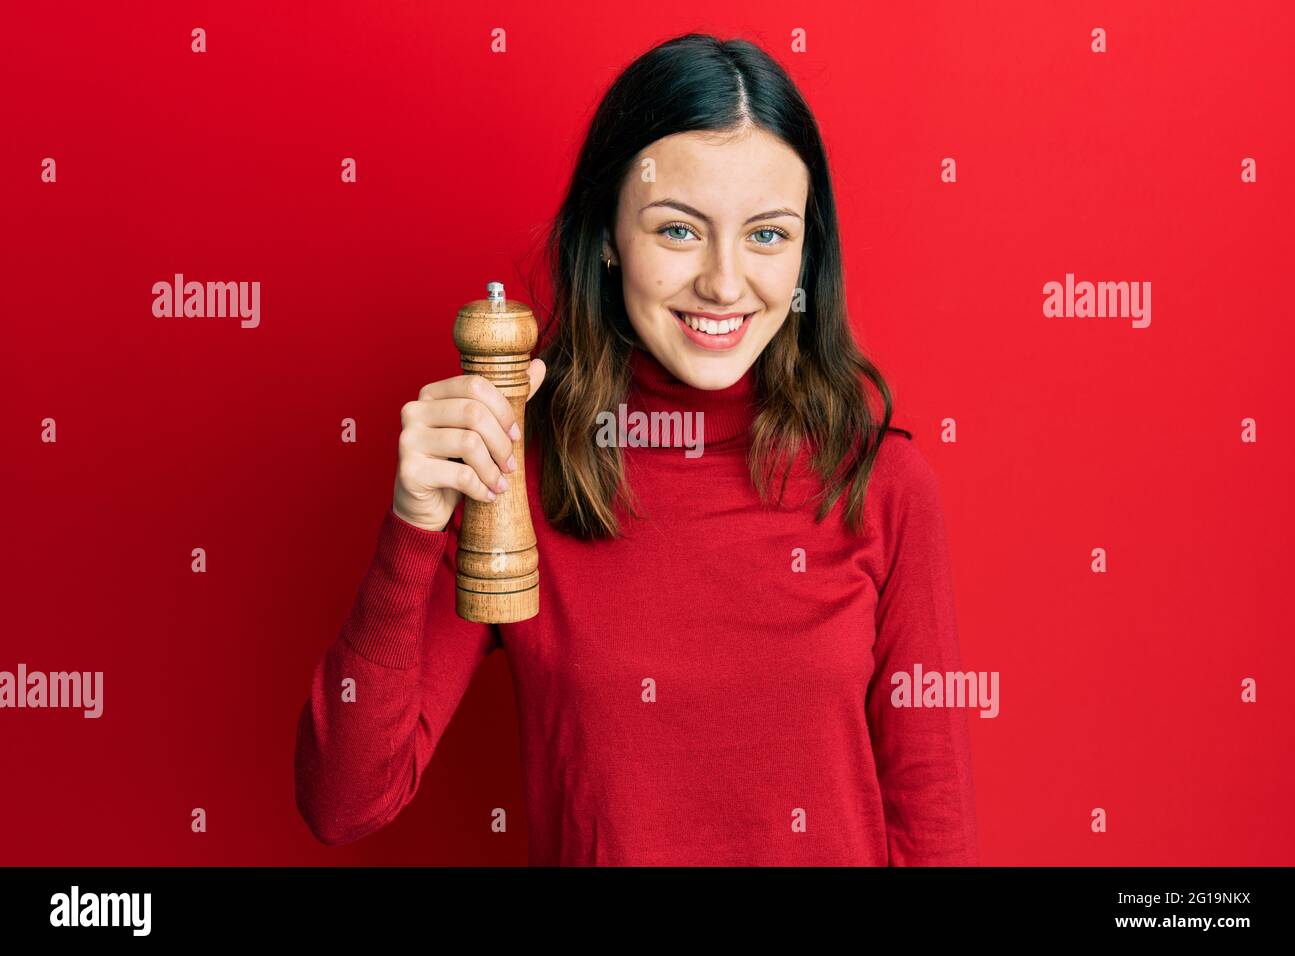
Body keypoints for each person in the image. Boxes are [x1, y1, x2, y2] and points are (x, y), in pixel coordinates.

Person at [294, 32, 979, 866]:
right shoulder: (514, 475)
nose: (726, 284)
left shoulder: (884, 486)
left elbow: (934, 831)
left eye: (767, 235)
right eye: (679, 231)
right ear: (609, 233)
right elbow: (345, 799)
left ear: (808, 251)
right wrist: (412, 529)